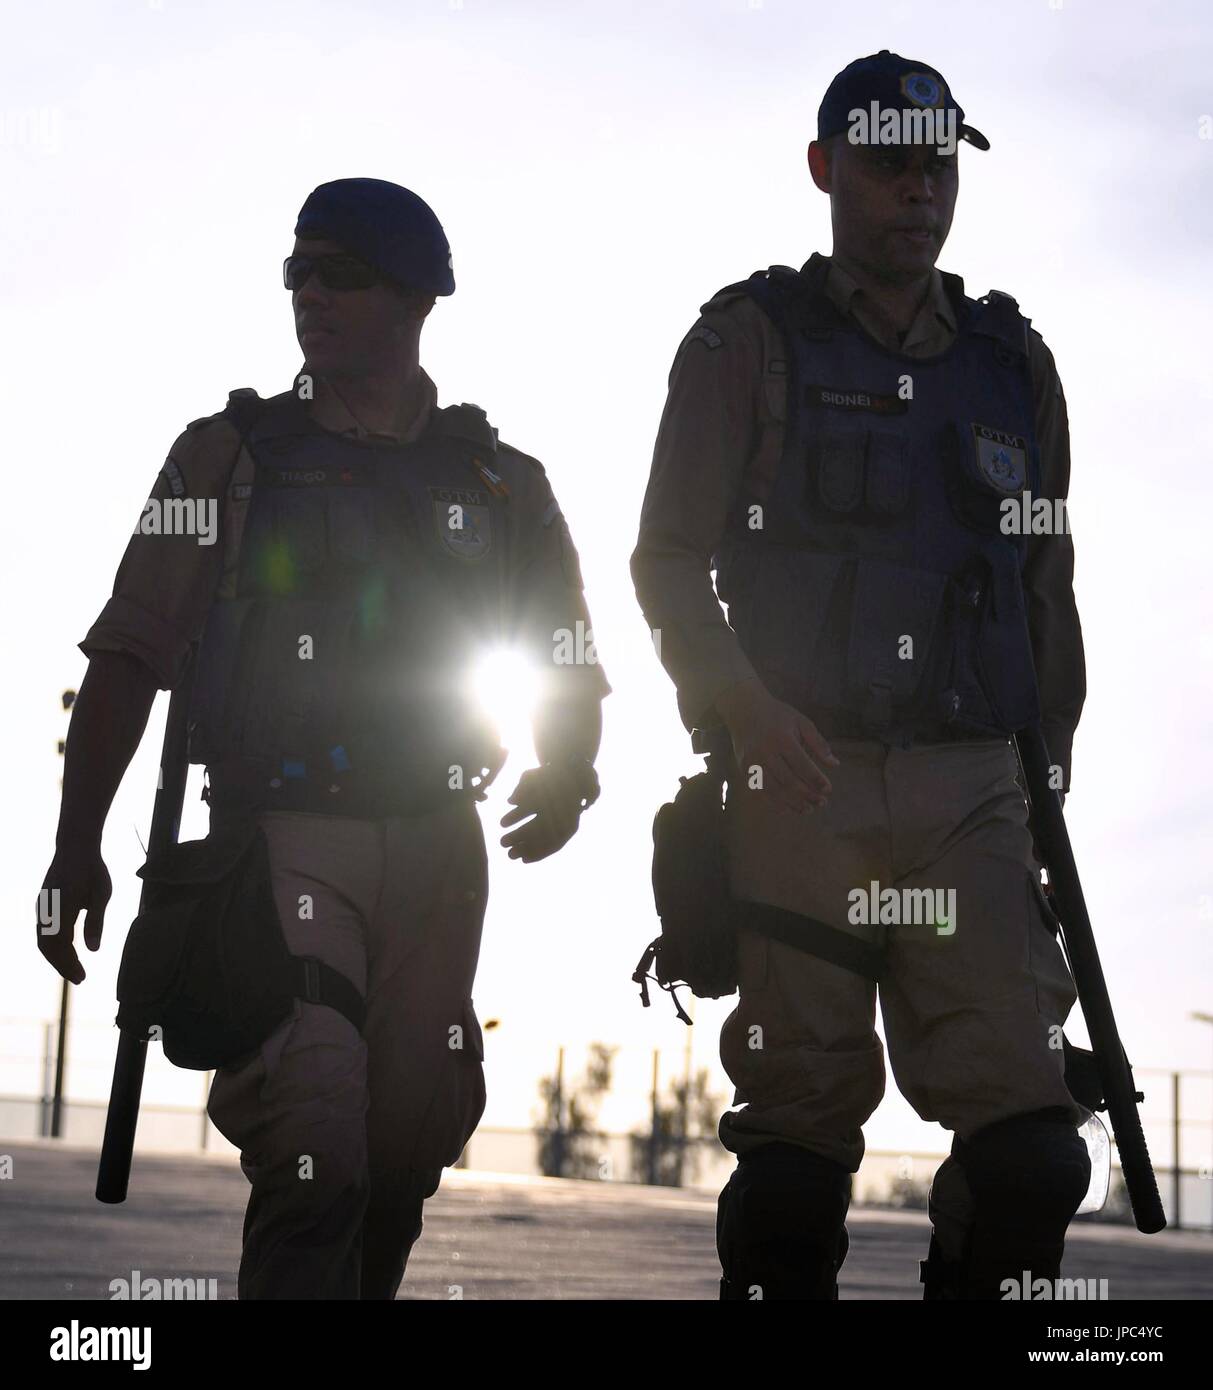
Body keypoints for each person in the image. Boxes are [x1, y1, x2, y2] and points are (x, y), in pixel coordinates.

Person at [39, 177, 609, 1299]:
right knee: (314, 1140)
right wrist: (76, 845)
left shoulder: (501, 482)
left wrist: (569, 763)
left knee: (401, 1147)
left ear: (417, 294)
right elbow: (130, 650)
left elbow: (563, 650)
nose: (309, 293)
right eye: (296, 272)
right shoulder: (226, 456)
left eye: (338, 273)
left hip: (441, 846)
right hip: (281, 832)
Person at [631, 52, 1091, 1300]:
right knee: (788, 1173)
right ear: (827, 170)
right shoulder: (748, 342)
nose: (918, 188)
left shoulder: (1011, 365)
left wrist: (1045, 782)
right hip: (803, 784)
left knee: (1035, 1159)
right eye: (890, 161)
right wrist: (740, 704)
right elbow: (666, 559)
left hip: (969, 793)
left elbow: (1043, 587)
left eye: (937, 162)